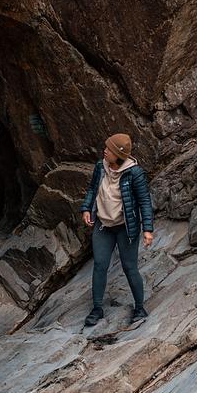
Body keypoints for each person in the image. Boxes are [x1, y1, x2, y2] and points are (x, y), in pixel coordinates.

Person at [80, 133, 154, 327]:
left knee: (129, 267)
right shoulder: (100, 167)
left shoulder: (134, 173)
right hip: (103, 225)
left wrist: (147, 229)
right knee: (100, 265)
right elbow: (92, 189)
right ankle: (97, 309)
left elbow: (145, 201)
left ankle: (139, 308)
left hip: (125, 227)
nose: (105, 151)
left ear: (118, 154)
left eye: (109, 149)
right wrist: (86, 208)